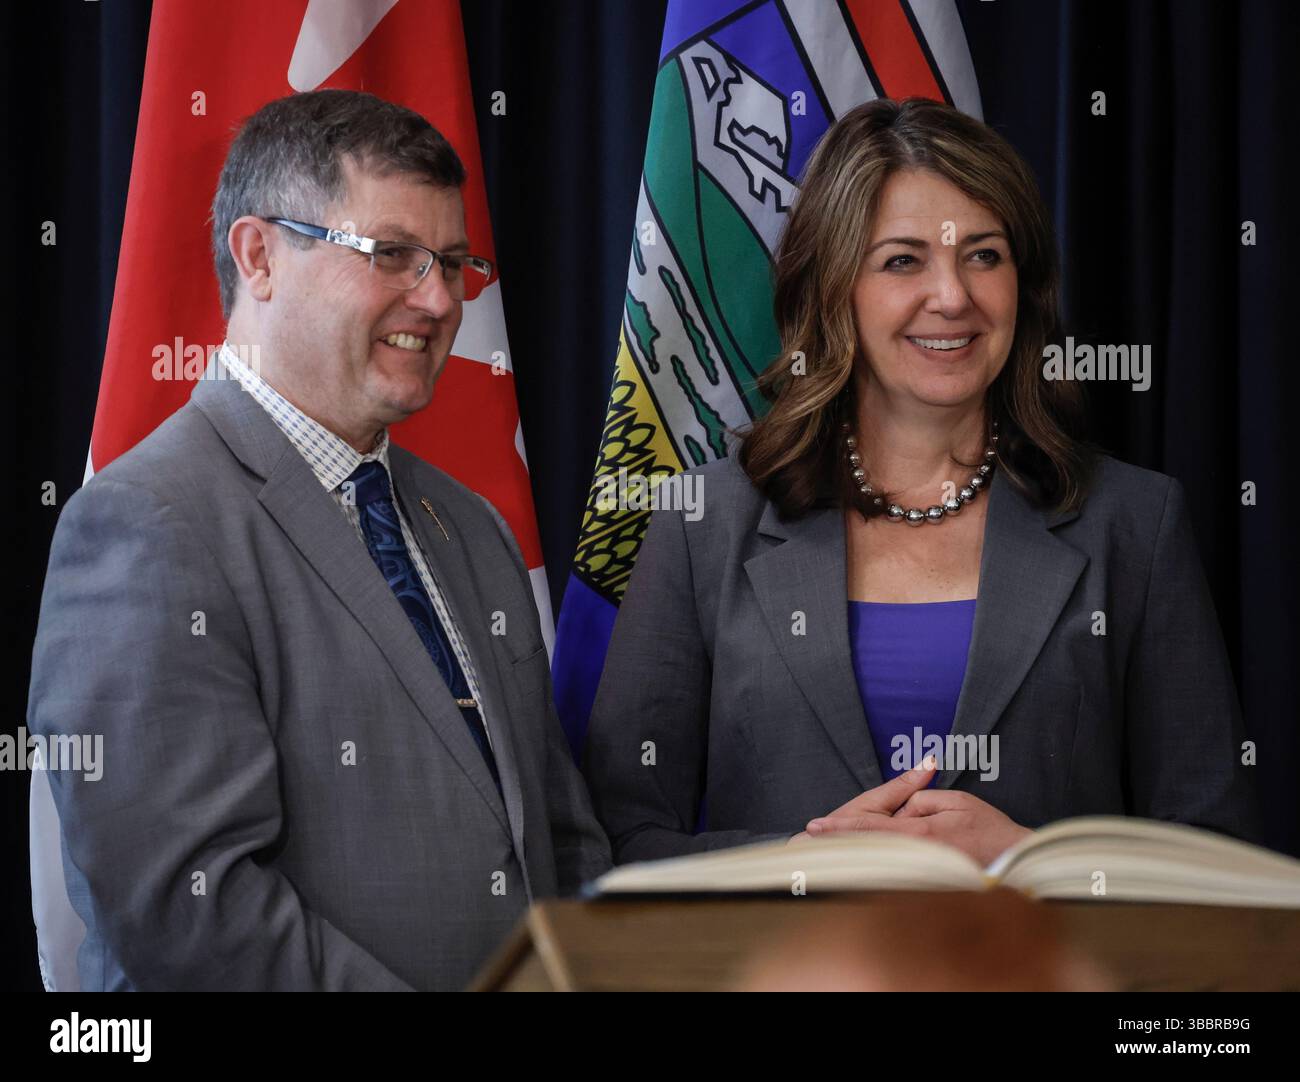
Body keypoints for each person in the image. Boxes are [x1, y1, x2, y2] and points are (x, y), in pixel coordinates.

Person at [27, 89, 609, 991]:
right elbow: (190, 917)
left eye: (452, 263)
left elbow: (559, 848)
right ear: (259, 256)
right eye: (393, 255)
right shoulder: (146, 523)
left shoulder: (472, 528)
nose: (439, 300)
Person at [583, 97, 1261, 867]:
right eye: (904, 259)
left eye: (984, 254)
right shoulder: (703, 527)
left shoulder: (1135, 523)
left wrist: (1034, 866)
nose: (953, 296)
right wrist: (815, 867)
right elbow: (615, 843)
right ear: (836, 286)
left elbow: (1219, 858)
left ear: (1023, 283)